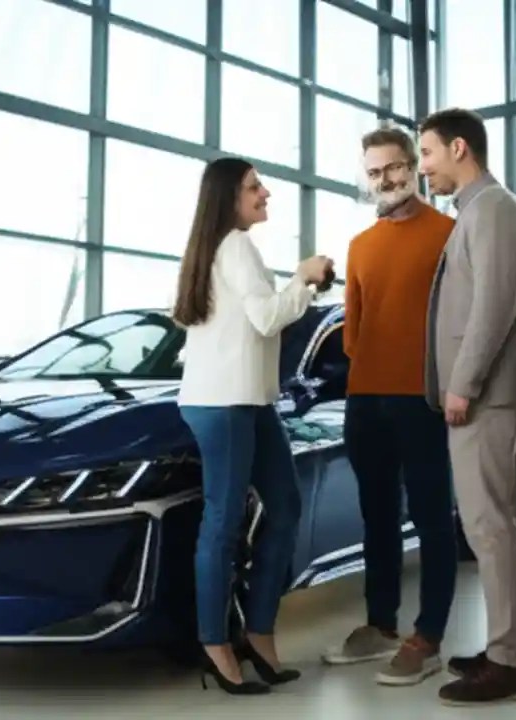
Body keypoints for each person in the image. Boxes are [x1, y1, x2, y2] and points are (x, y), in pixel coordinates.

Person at [173, 156, 335, 696]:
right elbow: (268, 317)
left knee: (285, 505)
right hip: (225, 404)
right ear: (228, 197)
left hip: (250, 400)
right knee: (222, 523)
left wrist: (297, 288)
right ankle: (214, 643)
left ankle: (257, 632)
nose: (265, 193)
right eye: (253, 186)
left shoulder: (225, 249)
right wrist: (305, 277)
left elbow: (255, 326)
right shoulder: (235, 246)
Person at [417, 108, 516, 706]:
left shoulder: (494, 209)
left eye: (425, 154)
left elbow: (493, 306)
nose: (423, 169)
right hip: (496, 393)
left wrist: (463, 383)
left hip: (492, 395)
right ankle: (505, 649)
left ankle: (509, 663)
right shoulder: (481, 211)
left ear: (457, 148)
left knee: (489, 527)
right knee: (500, 524)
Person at [321, 127, 458, 687]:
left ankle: (427, 639)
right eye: (375, 172)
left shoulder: (450, 234)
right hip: (366, 399)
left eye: (396, 167)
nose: (387, 179)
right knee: (376, 516)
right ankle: (380, 626)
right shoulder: (360, 246)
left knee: (431, 518)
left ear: (414, 167)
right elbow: (352, 333)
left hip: (424, 397)